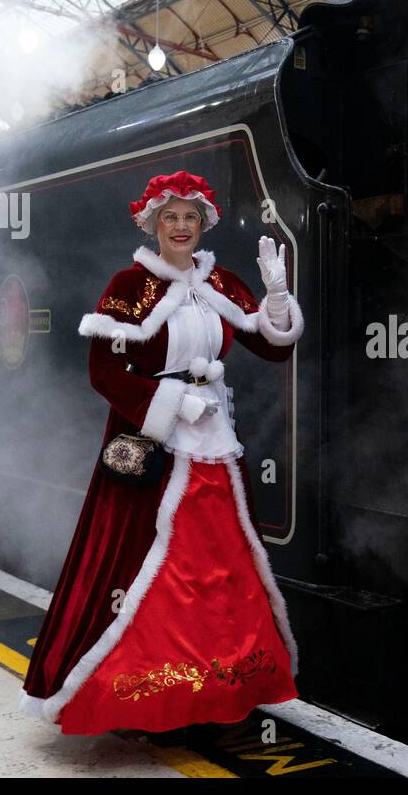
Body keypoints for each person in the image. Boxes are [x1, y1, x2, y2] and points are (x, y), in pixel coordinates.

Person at [18, 169, 303, 736]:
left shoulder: (218, 280)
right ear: (152, 224)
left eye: (190, 218)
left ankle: (211, 688)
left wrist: (274, 301)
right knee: (149, 570)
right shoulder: (130, 286)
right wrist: (172, 402)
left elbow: (271, 352)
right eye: (169, 217)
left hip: (215, 448)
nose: (180, 227)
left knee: (218, 570)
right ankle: (145, 696)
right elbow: (103, 370)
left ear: (202, 225)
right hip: (157, 449)